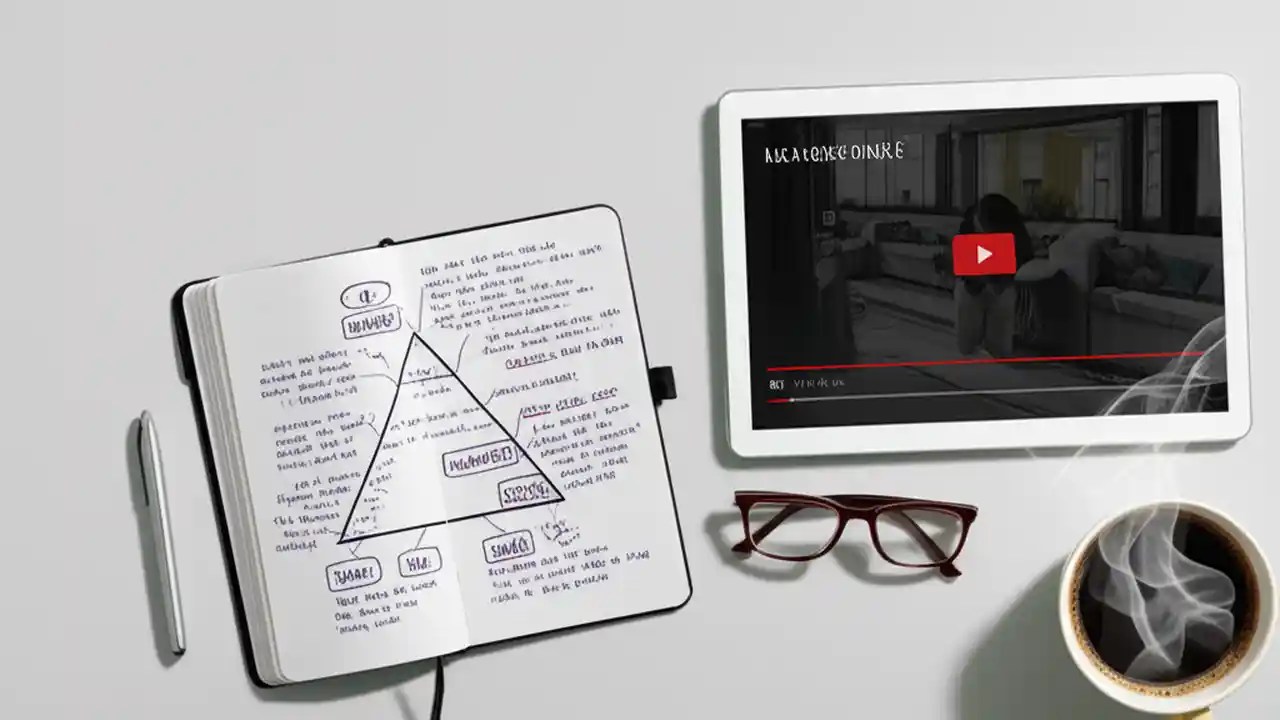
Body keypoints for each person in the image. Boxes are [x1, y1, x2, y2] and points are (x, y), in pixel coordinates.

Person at [948, 194, 1034, 357]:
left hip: (1001, 287)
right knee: (967, 346)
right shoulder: (967, 227)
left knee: (1000, 350)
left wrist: (1003, 278)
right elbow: (961, 267)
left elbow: (1025, 254)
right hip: (973, 287)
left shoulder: (1012, 225)